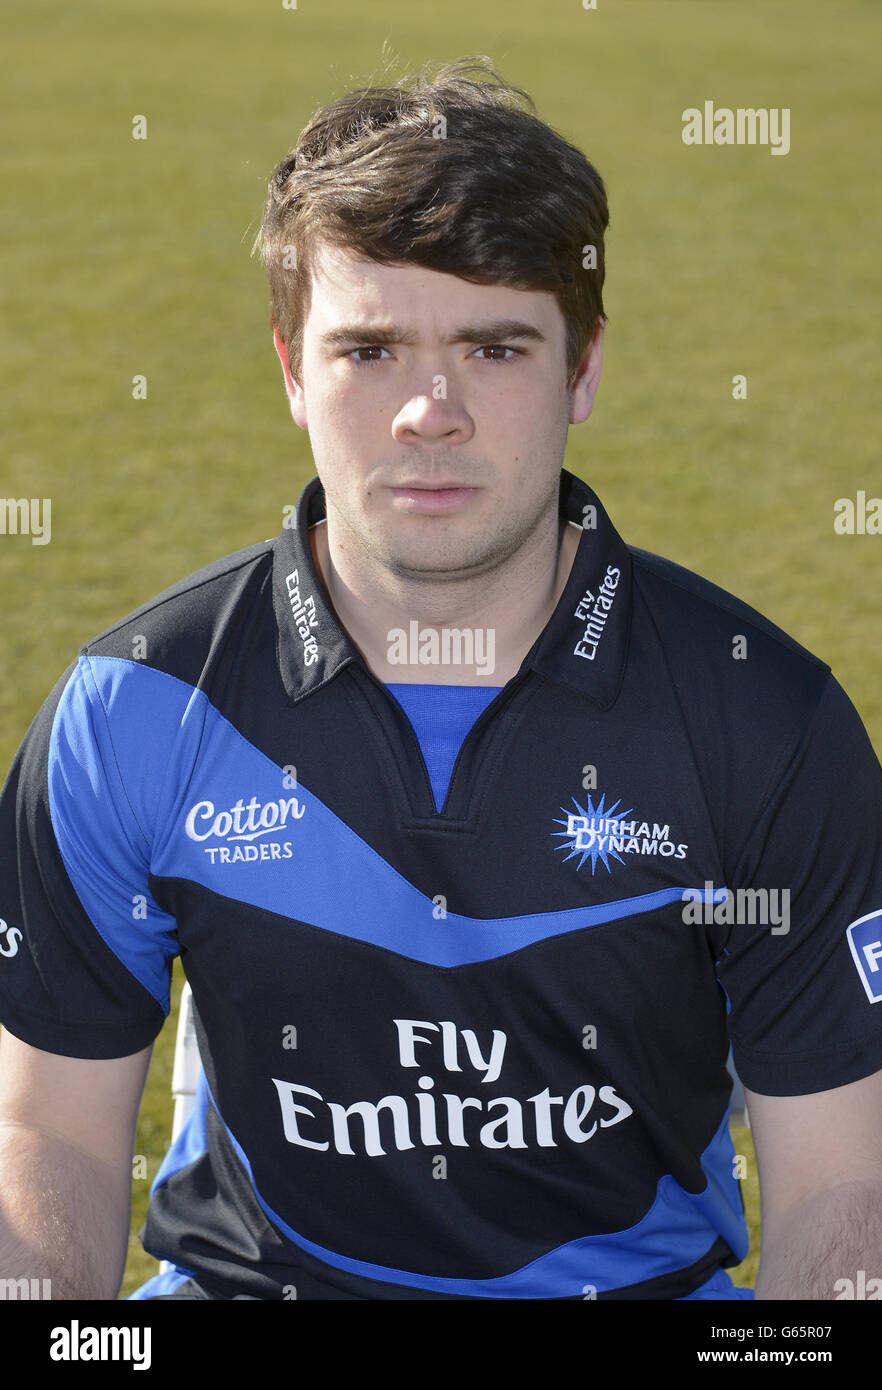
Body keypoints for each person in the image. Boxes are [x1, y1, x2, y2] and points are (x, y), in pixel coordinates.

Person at [1, 56, 881, 1303]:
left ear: (581, 369)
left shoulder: (763, 722)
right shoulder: (136, 710)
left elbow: (846, 1184)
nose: (431, 410)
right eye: (368, 350)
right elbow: (50, 1135)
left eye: (494, 347)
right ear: (293, 372)